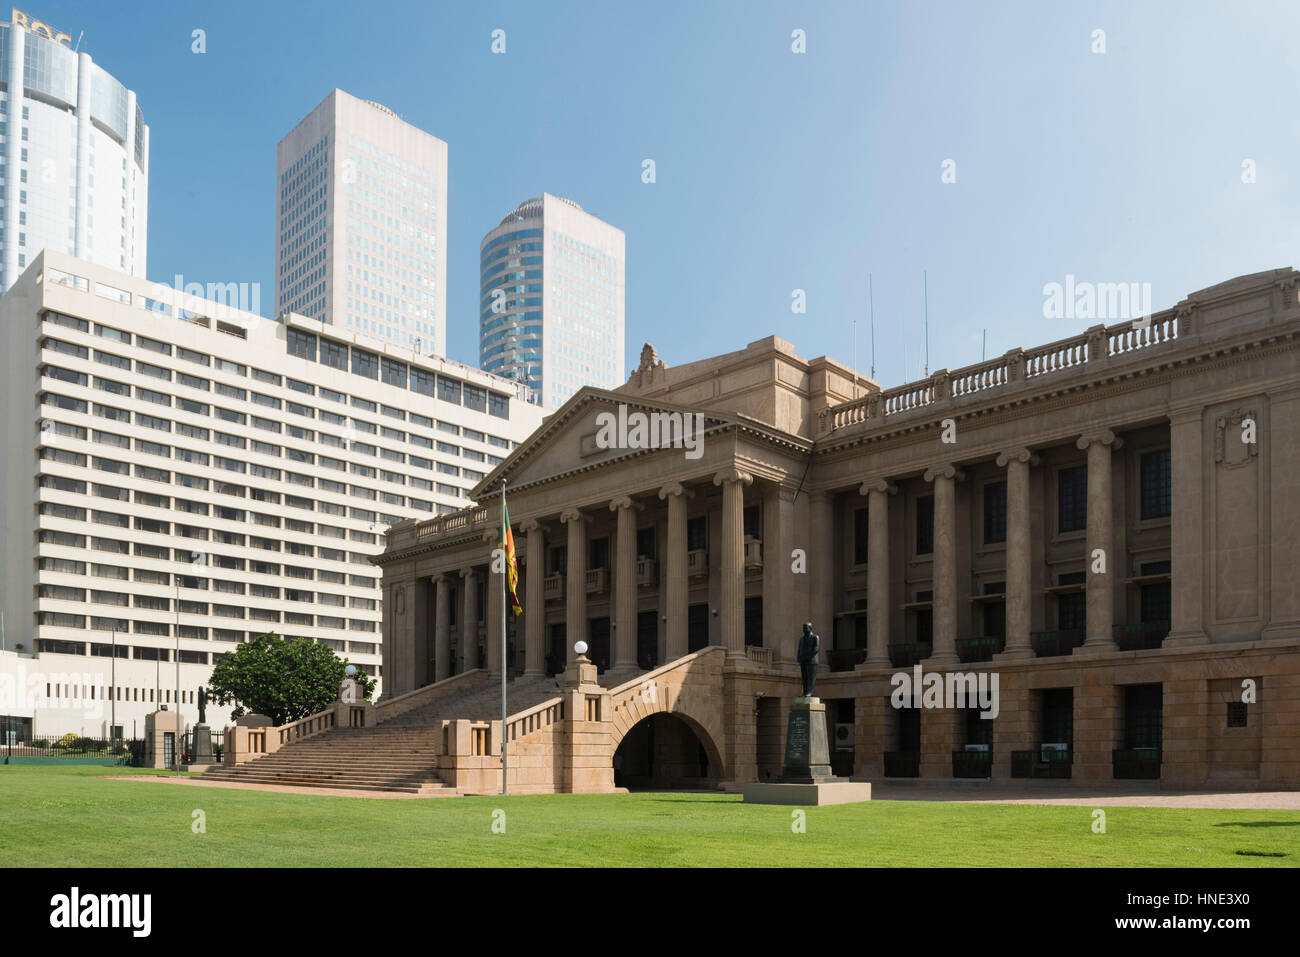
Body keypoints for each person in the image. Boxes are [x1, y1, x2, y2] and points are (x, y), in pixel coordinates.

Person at [796, 622, 820, 697]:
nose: (804, 629)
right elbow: (799, 649)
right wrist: (798, 657)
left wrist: (807, 657)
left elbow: (816, 649)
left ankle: (810, 692)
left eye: (805, 628)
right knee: (804, 677)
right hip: (803, 661)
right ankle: (805, 692)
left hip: (812, 661)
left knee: (811, 677)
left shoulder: (815, 637)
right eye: (803, 628)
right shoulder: (801, 639)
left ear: (810, 628)